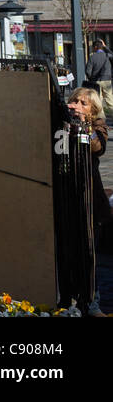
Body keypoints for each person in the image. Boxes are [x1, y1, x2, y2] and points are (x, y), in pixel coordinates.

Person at [67, 87, 109, 313]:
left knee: (90, 254)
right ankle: (70, 298)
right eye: (75, 101)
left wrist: (83, 125)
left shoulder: (98, 126)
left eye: (84, 103)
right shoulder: (64, 124)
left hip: (90, 198)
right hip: (67, 197)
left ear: (93, 110)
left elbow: (98, 147)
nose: (77, 106)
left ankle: (92, 302)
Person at [86, 39, 113, 116]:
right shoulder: (107, 55)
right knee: (110, 100)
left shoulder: (92, 57)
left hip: (96, 81)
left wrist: (91, 79)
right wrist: (105, 47)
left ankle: (101, 119)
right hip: (107, 80)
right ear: (101, 47)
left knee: (98, 101)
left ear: (95, 47)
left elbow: (88, 71)